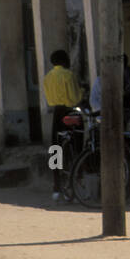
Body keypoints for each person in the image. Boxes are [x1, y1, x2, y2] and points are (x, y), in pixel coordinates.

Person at [43, 50, 82, 201]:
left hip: (56, 113)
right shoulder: (68, 75)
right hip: (70, 112)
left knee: (56, 147)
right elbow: (74, 98)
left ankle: (56, 185)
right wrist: (82, 92)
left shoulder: (47, 77)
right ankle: (77, 177)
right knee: (77, 144)